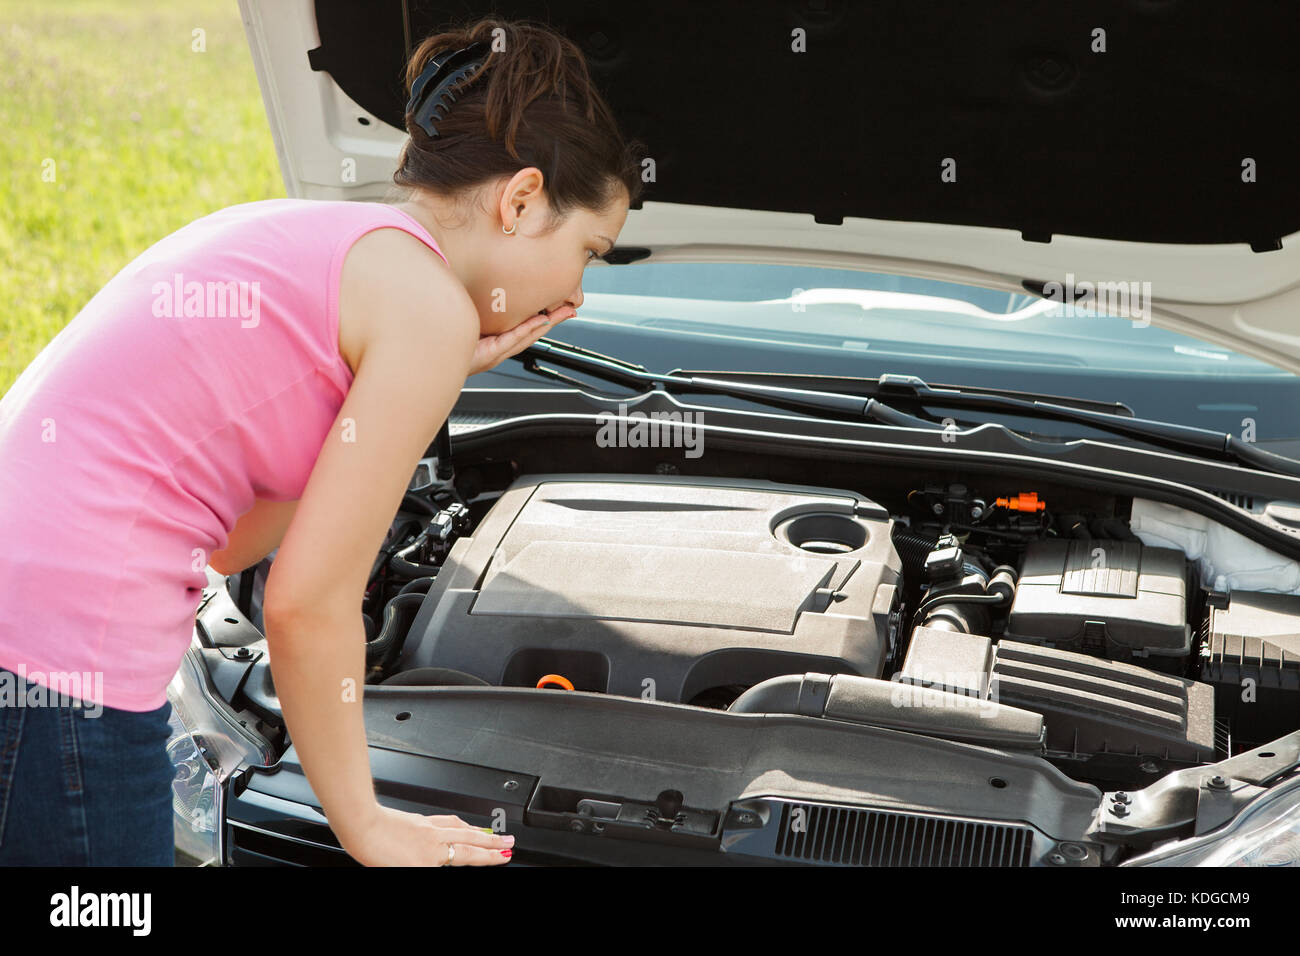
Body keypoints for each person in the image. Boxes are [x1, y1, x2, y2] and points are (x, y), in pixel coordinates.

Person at [0, 16, 644, 866]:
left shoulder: (328, 245)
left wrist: (434, 379)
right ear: (520, 201)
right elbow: (304, 606)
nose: (579, 292)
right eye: (589, 252)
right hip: (63, 655)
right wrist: (366, 827)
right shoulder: (423, 310)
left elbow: (230, 543)